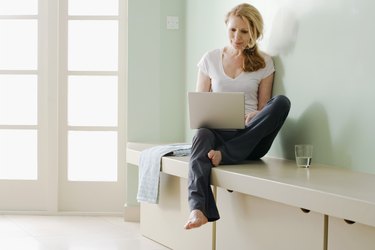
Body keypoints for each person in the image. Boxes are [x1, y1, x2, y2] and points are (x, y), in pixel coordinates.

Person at [184, 3, 291, 230]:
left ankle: (226, 155)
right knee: (201, 134)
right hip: (218, 136)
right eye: (233, 30)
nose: (237, 37)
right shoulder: (210, 59)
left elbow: (264, 109)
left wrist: (255, 115)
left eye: (244, 32)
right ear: (226, 27)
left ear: (255, 33)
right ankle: (197, 209)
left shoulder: (264, 63)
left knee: (281, 103)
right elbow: (200, 106)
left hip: (250, 138)